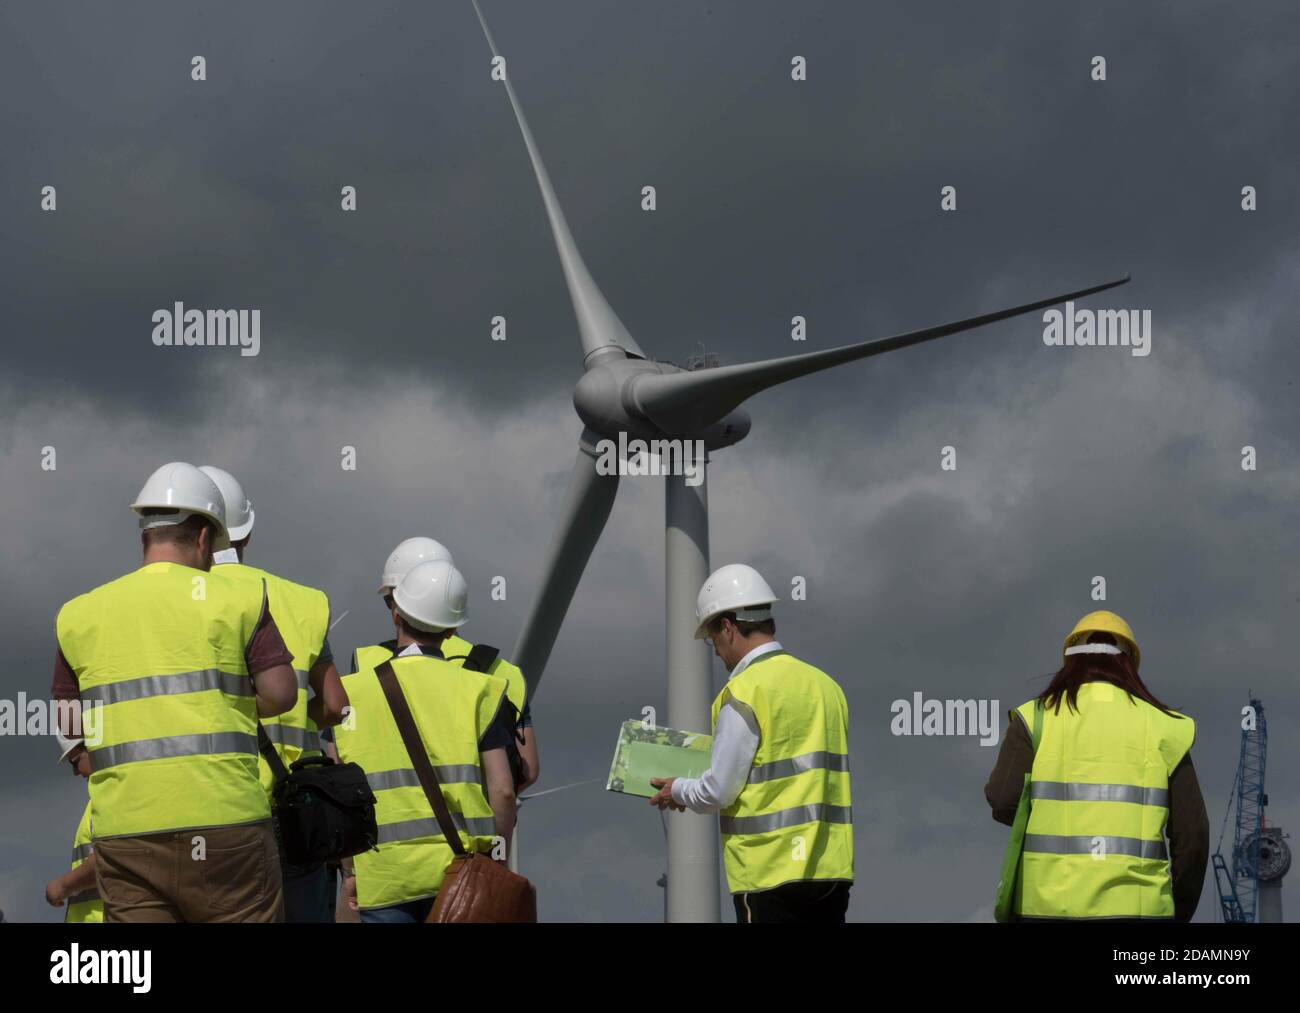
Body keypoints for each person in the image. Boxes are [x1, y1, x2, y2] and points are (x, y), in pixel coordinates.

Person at [51, 462, 298, 922]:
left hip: (128, 830)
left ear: (145, 534)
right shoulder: (241, 600)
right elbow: (281, 693)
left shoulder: (79, 614)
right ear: (204, 538)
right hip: (228, 821)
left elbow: (69, 724)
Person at [649, 563, 854, 923]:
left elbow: (719, 790)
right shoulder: (827, 686)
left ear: (728, 627)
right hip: (829, 873)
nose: (715, 652)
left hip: (768, 873)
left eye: (713, 639)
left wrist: (677, 790)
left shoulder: (743, 692)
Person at [984, 610, 1209, 921]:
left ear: (1070, 660)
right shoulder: (1164, 727)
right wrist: (1178, 911)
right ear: (1129, 662)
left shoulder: (1034, 720)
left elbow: (1003, 800)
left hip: (1045, 908)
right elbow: (1192, 834)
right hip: (1138, 911)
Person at [199, 465, 349, 922]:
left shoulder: (177, 600)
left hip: (211, 810)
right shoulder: (301, 602)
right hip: (290, 814)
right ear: (246, 533)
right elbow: (337, 705)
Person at [334, 559, 517, 922]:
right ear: (451, 630)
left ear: (396, 614)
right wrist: (497, 862)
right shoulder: (482, 690)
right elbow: (503, 793)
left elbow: (342, 796)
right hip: (462, 874)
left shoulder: (349, 693)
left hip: (384, 876)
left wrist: (351, 871)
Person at [351, 537, 538, 791]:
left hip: (381, 824)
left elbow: (341, 754)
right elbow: (527, 771)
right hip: (477, 827)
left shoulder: (366, 663)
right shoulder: (504, 672)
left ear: (398, 606)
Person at [44, 733, 102, 923]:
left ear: (93, 750)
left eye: (75, 762)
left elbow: (110, 859)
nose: (76, 773)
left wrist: (61, 886)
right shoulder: (97, 803)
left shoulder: (107, 804)